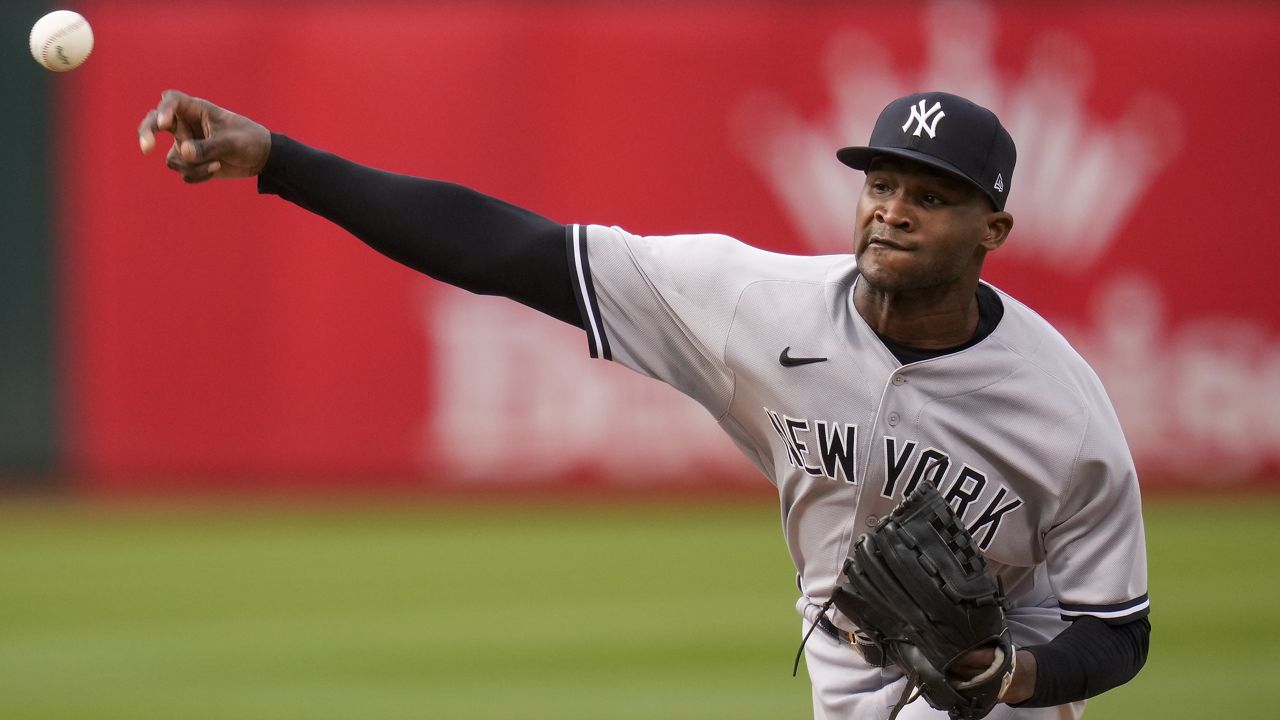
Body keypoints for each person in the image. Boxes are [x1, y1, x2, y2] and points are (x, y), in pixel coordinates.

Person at [138, 89, 1150, 719]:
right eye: (880, 183)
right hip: (841, 674)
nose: (890, 209)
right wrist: (279, 159)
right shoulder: (753, 304)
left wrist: (1002, 676)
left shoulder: (1060, 411)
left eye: (928, 196)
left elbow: (1118, 630)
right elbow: (504, 252)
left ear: (993, 227)